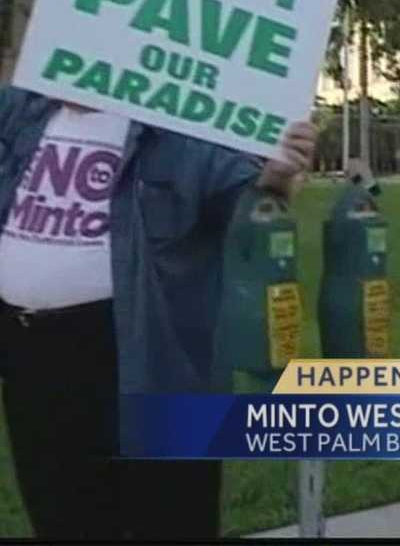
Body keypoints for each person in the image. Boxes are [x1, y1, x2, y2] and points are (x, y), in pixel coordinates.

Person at [0, 86, 316, 539]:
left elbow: (249, 199)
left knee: (170, 519)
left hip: (152, 357)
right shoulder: (20, 114)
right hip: (33, 359)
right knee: (63, 518)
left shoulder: (180, 127)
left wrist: (279, 176)